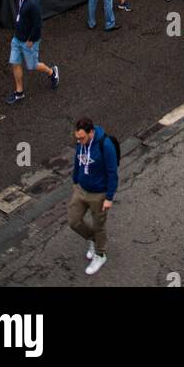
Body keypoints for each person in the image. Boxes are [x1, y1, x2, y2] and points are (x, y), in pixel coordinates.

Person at [69, 117, 118, 277]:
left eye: (82, 137)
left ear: (91, 132)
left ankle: (100, 254)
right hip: (81, 189)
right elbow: (78, 161)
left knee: (99, 226)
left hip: (99, 194)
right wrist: (75, 181)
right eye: (77, 137)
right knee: (74, 221)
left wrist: (109, 197)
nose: (79, 141)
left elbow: (112, 173)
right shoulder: (80, 142)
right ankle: (93, 239)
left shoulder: (106, 145)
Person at [6, 0, 58, 104]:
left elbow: (38, 24)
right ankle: (19, 92)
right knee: (15, 62)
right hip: (17, 37)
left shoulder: (33, 4)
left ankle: (52, 72)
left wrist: (31, 39)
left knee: (33, 65)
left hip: (28, 41)